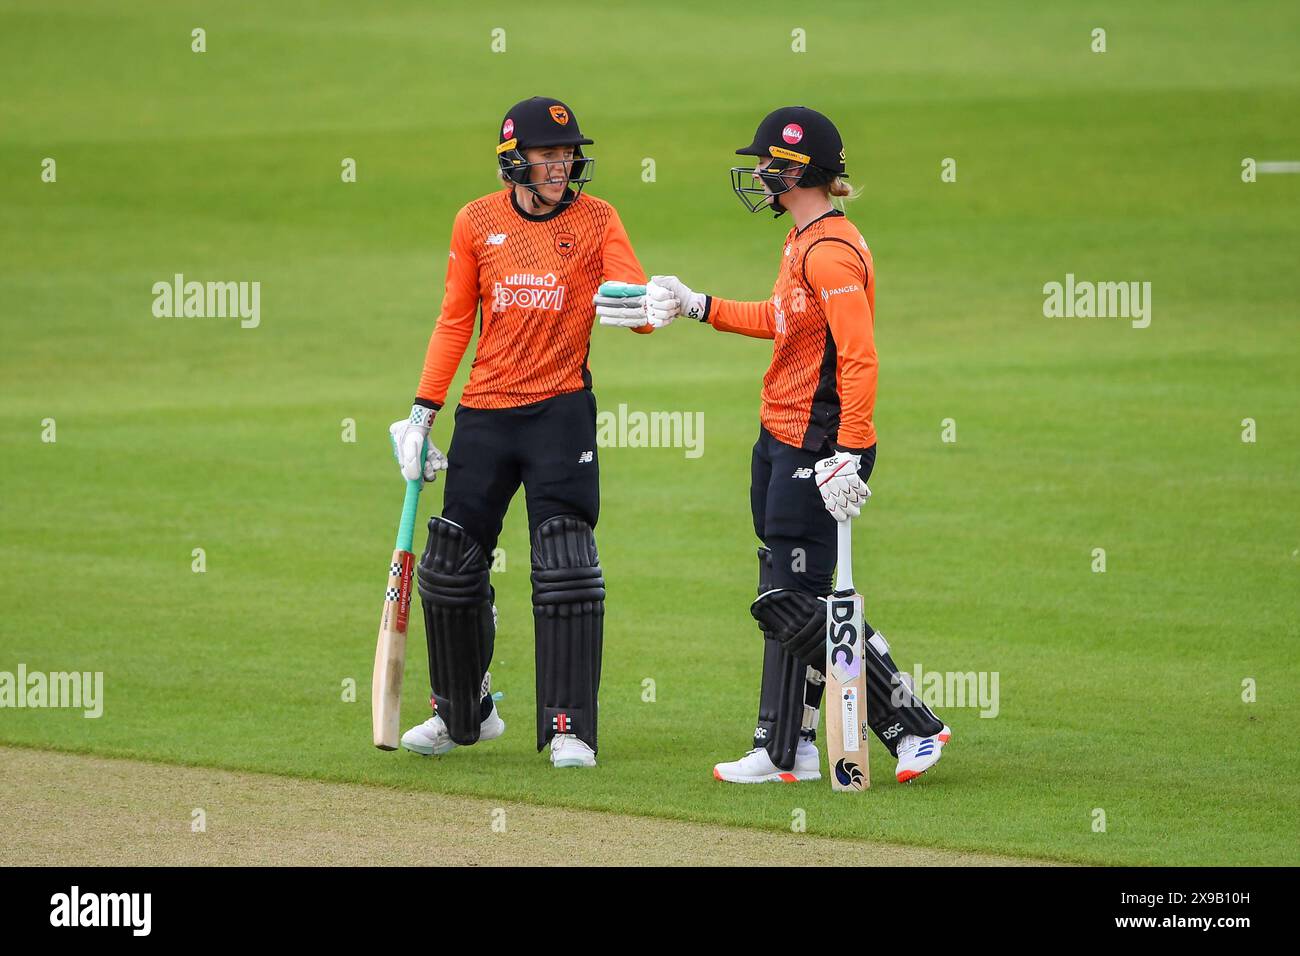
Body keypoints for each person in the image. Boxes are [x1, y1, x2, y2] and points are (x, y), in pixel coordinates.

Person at [626, 106, 952, 784]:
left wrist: (848, 451)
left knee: (792, 599)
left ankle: (912, 725)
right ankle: (787, 748)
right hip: (781, 435)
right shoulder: (803, 241)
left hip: (819, 444)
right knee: (782, 590)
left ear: (798, 171)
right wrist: (698, 305)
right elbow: (782, 321)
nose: (757, 174)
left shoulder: (831, 251)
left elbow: (859, 357)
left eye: (767, 164)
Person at [388, 96, 649, 769]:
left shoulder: (598, 220)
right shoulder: (476, 220)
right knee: (450, 568)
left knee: (564, 563)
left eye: (567, 153)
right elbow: (454, 322)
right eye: (548, 154)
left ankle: (570, 728)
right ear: (515, 159)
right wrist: (421, 416)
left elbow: (634, 300)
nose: (561, 164)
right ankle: (460, 710)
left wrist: (642, 304)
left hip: (560, 414)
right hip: (486, 413)